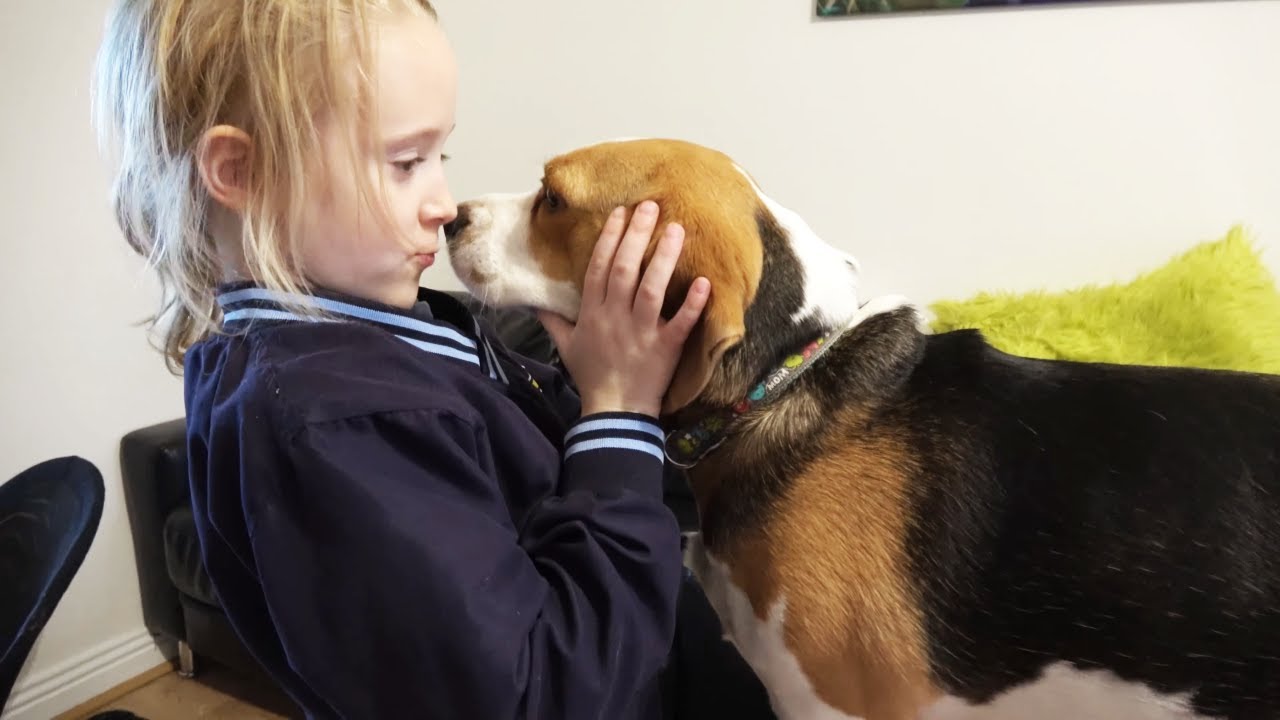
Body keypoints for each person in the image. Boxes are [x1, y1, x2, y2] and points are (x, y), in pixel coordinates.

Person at [92, 1, 776, 718]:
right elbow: (546, 694)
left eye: (438, 156)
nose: (444, 203)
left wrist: (584, 384)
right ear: (242, 170)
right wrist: (620, 412)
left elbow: (513, 491)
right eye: (405, 162)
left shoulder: (364, 340)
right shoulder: (338, 423)